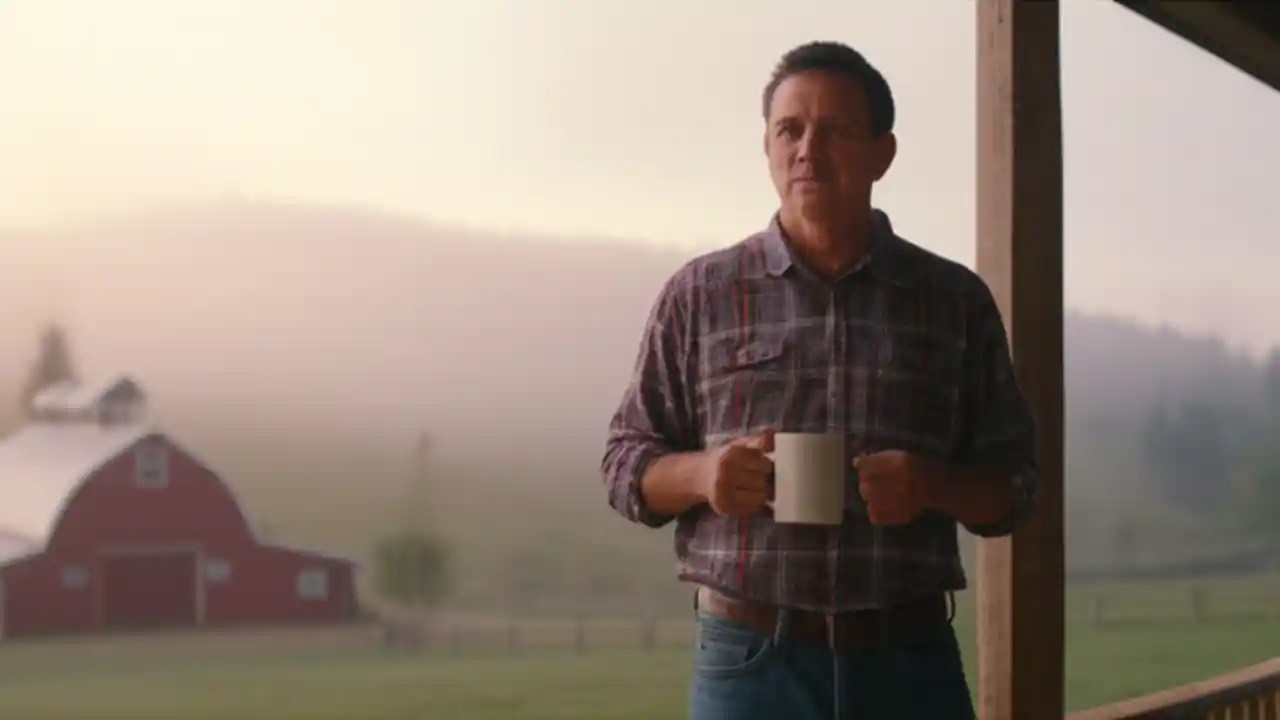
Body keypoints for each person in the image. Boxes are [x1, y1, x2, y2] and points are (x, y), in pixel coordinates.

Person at [601, 40, 1039, 719]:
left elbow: (1018, 487)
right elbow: (624, 463)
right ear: (767, 147)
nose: (807, 149)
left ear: (882, 154)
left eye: (835, 130)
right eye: (790, 129)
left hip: (910, 664)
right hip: (748, 665)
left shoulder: (954, 302)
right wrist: (705, 474)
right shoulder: (700, 294)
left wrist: (930, 484)